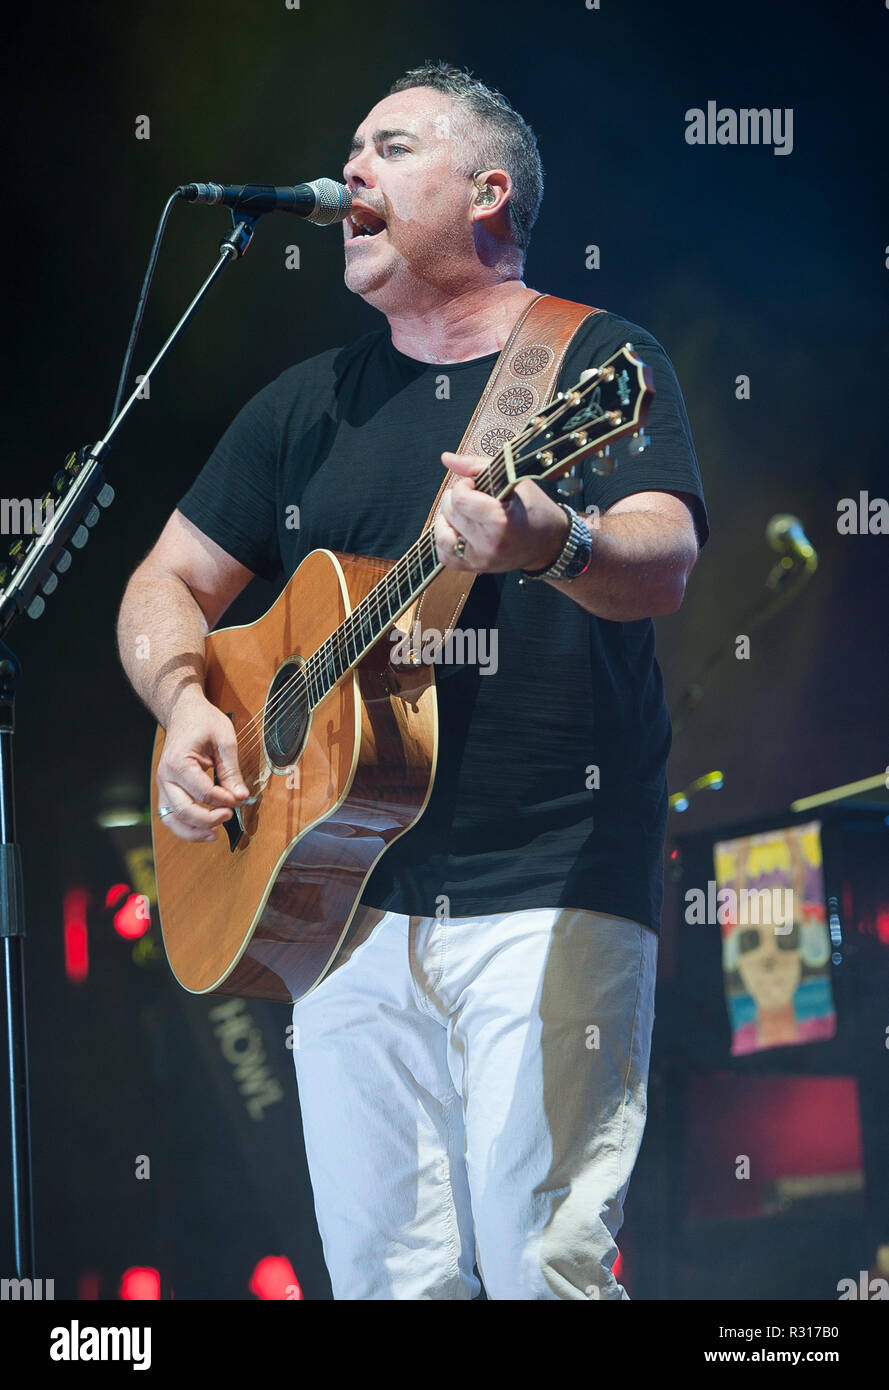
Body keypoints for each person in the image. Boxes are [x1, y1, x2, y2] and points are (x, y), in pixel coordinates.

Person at [117, 61, 708, 1300]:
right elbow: (162, 581)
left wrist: (551, 537)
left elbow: (665, 557)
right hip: (337, 904)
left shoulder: (591, 361)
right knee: (389, 1283)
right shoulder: (307, 406)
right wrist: (184, 703)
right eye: (351, 154)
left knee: (543, 1263)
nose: (350, 178)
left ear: (489, 191)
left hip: (546, 879)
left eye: (388, 148)